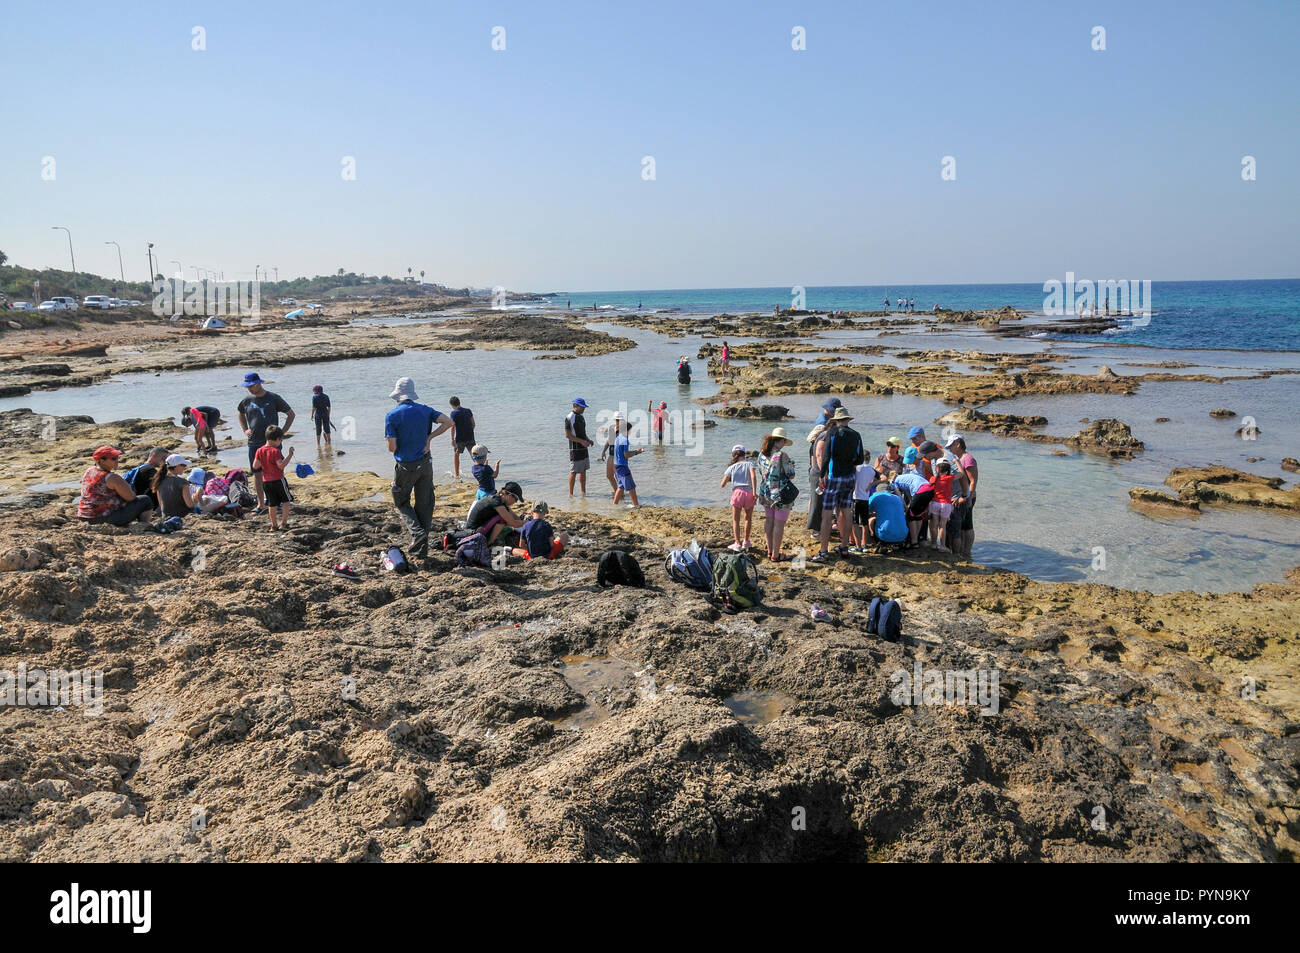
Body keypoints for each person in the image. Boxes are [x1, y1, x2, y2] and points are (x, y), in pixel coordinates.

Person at [384, 377, 451, 559]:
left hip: (406, 465)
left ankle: (417, 534)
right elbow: (448, 422)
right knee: (425, 504)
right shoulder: (425, 410)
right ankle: (422, 551)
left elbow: (392, 448)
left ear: (397, 395)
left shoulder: (392, 416)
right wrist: (429, 438)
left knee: (401, 501)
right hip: (426, 463)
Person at [237, 373, 294, 512]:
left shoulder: (273, 398)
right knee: (257, 473)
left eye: (251, 386)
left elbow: (291, 414)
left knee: (276, 472)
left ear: (259, 383)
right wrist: (245, 429)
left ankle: (278, 502)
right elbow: (240, 413)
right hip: (254, 442)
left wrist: (282, 433)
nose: (249, 389)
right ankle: (261, 504)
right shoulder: (246, 400)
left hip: (273, 443)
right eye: (247, 386)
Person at [813, 407, 864, 561]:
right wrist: (849, 462)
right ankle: (844, 547)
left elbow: (827, 456)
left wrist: (822, 475)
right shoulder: (856, 435)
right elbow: (860, 459)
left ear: (836, 420)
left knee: (827, 514)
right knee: (846, 512)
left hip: (834, 477)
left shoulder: (832, 433)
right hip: (849, 476)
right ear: (848, 420)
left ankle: (823, 550)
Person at [77, 446, 155, 526]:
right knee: (145, 500)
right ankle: (144, 525)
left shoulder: (89, 470)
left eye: (117, 458)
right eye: (113, 458)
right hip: (102, 519)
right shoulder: (112, 477)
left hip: (83, 516)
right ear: (101, 461)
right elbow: (131, 497)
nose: (117, 461)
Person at [756, 427, 797, 561]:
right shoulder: (782, 455)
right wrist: (791, 465)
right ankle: (776, 554)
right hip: (780, 493)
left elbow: (761, 472)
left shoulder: (761, 454)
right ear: (783, 441)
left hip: (765, 491)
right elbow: (791, 475)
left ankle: (769, 551)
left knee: (769, 521)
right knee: (779, 524)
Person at [253, 425, 295, 530]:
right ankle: (284, 523)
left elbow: (255, 466)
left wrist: (264, 462)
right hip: (278, 480)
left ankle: (274, 525)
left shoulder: (259, 450)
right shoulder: (275, 451)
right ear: (277, 439)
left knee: (272, 504)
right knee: (286, 501)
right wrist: (290, 455)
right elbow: (280, 465)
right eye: (280, 440)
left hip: (266, 481)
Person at [946, 434, 978, 558]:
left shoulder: (968, 459)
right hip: (959, 496)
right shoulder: (956, 458)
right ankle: (962, 551)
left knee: (967, 525)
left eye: (951, 446)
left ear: (958, 444)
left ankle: (967, 551)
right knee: (961, 526)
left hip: (967, 496)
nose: (949, 449)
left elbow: (973, 481)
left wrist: (968, 498)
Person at [466, 481, 526, 546]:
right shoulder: (496, 502)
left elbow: (513, 515)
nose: (515, 502)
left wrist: (524, 522)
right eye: (516, 500)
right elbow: (513, 523)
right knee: (502, 519)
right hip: (474, 532)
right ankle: (489, 544)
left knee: (505, 518)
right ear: (510, 496)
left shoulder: (501, 500)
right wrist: (527, 523)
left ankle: (491, 541)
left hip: (481, 526)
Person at [720, 445, 757, 551]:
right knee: (748, 519)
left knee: (736, 519)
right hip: (749, 493)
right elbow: (753, 476)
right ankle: (746, 541)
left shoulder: (731, 467)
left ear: (734, 455)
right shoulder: (750, 464)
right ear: (744, 454)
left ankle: (737, 543)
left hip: (737, 494)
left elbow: (722, 484)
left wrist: (733, 479)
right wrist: (754, 491)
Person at [152, 453, 200, 520]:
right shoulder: (183, 482)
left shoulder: (159, 481)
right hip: (182, 516)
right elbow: (190, 505)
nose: (185, 467)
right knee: (199, 508)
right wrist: (195, 500)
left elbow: (161, 505)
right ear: (176, 466)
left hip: (166, 516)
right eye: (183, 465)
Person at [611, 412, 644, 507]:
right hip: (622, 466)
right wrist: (637, 452)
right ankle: (637, 506)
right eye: (630, 430)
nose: (630, 432)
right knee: (631, 487)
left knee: (620, 487)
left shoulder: (618, 438)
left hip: (616, 465)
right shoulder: (625, 440)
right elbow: (626, 455)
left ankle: (614, 505)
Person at [565, 398, 594, 496]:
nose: (584, 409)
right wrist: (582, 441)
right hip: (575, 449)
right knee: (574, 472)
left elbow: (582, 433)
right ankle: (571, 494)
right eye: (582, 407)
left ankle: (583, 492)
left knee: (583, 471)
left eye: (584, 407)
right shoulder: (569, 417)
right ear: (575, 406)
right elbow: (568, 435)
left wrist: (588, 440)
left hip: (584, 449)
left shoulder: (581, 417)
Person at [805, 422, 830, 537]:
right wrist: (823, 473)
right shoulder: (822, 439)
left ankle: (816, 527)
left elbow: (812, 462)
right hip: (818, 473)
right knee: (817, 501)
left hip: (814, 472)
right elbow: (817, 458)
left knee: (816, 499)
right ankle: (816, 529)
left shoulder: (813, 444)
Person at [850, 453, 877, 553]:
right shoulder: (872, 469)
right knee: (864, 522)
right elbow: (882, 478)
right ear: (869, 459)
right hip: (865, 499)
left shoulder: (856, 468)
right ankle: (864, 545)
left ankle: (858, 546)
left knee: (855, 522)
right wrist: (871, 484)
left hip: (855, 498)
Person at [927, 460, 955, 553]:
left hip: (935, 503)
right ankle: (942, 546)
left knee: (934, 524)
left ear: (937, 469)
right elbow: (962, 474)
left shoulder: (933, 478)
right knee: (942, 525)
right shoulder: (949, 478)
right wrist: (956, 461)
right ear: (947, 470)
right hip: (946, 504)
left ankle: (934, 544)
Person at [448, 396, 475, 480]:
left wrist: (452, 439)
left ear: (452, 405)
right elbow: (473, 424)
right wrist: (469, 431)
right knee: (474, 456)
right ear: (459, 402)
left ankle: (457, 475)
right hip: (470, 436)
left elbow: (452, 426)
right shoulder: (468, 411)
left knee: (456, 455)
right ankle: (481, 471)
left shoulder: (454, 413)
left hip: (460, 438)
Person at [310, 385, 332, 450]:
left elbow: (314, 407)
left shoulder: (314, 397)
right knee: (327, 428)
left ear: (316, 390)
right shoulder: (326, 396)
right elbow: (329, 407)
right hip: (325, 413)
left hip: (318, 414)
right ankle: (329, 441)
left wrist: (311, 415)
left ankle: (318, 444)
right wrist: (328, 414)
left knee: (318, 429)